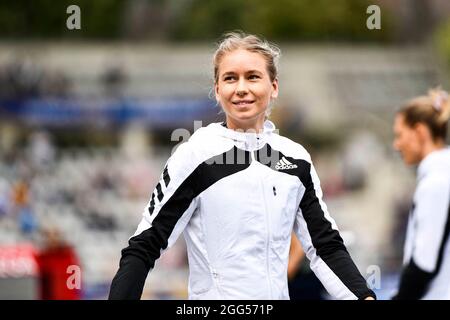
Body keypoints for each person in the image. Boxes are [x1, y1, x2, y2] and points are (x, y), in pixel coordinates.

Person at [109, 32, 376, 300]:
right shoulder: (195, 155)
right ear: (217, 89)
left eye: (252, 76)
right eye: (230, 78)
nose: (241, 88)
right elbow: (144, 246)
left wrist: (364, 297)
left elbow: (325, 247)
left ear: (274, 87)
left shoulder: (296, 159)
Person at [392, 88, 450, 300]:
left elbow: (424, 264)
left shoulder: (436, 182)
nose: (396, 145)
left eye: (400, 135)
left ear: (420, 132)